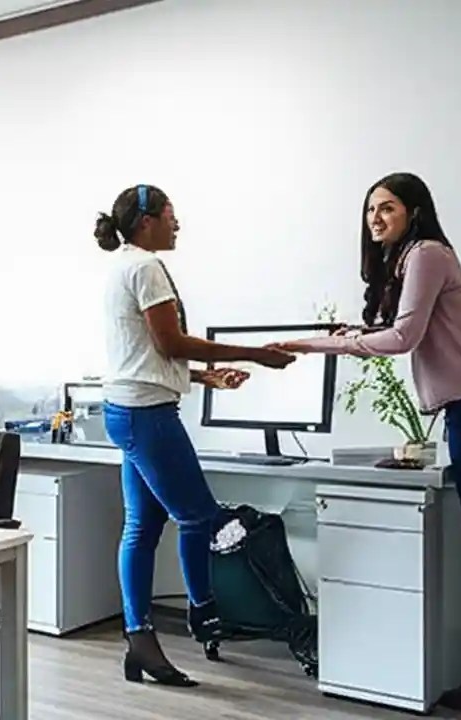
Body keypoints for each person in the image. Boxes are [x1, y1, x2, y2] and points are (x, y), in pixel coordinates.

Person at [270, 173, 461, 720]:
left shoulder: (428, 253)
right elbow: (400, 329)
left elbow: (401, 339)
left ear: (414, 212)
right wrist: (344, 334)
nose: (376, 218)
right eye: (370, 210)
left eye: (387, 207)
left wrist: (312, 344)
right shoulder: (406, 262)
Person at [93, 184, 295, 688]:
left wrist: (205, 378)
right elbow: (171, 342)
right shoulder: (146, 267)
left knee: (142, 527)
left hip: (127, 409)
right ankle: (204, 613)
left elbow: (145, 354)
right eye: (170, 215)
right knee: (199, 517)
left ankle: (140, 637)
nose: (177, 223)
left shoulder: (122, 265)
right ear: (146, 221)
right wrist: (255, 354)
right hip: (148, 415)